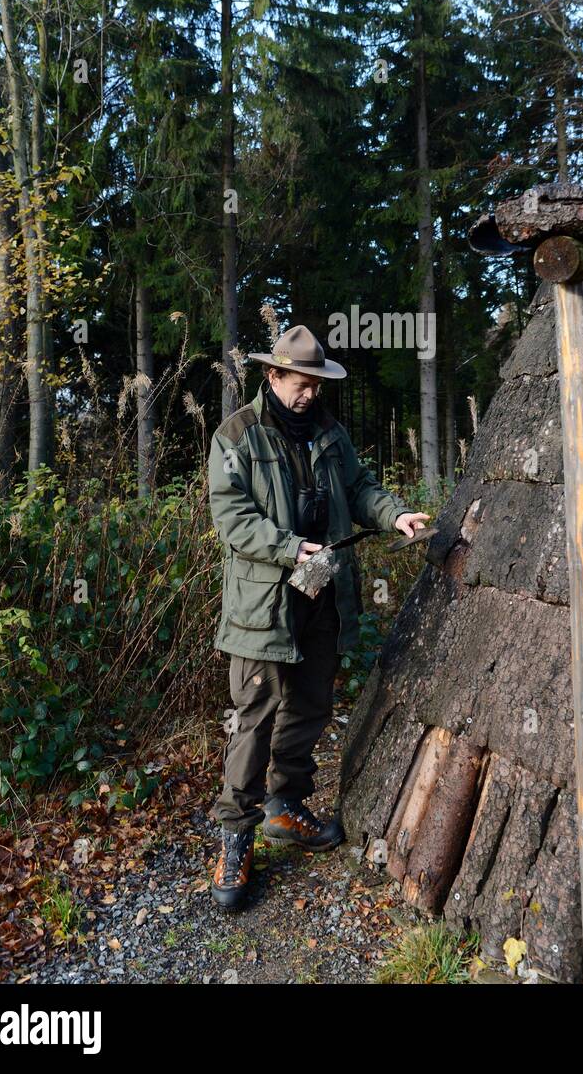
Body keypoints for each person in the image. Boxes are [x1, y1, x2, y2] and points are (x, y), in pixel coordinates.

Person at [207, 323, 429, 910]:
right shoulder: (235, 436)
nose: (310, 395)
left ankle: (286, 807)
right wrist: (287, 547)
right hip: (264, 601)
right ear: (272, 376)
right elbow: (231, 517)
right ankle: (235, 836)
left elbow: (359, 489)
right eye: (301, 384)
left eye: (316, 385)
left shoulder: (329, 432)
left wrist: (395, 516)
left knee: (310, 704)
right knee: (254, 717)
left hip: (322, 595)